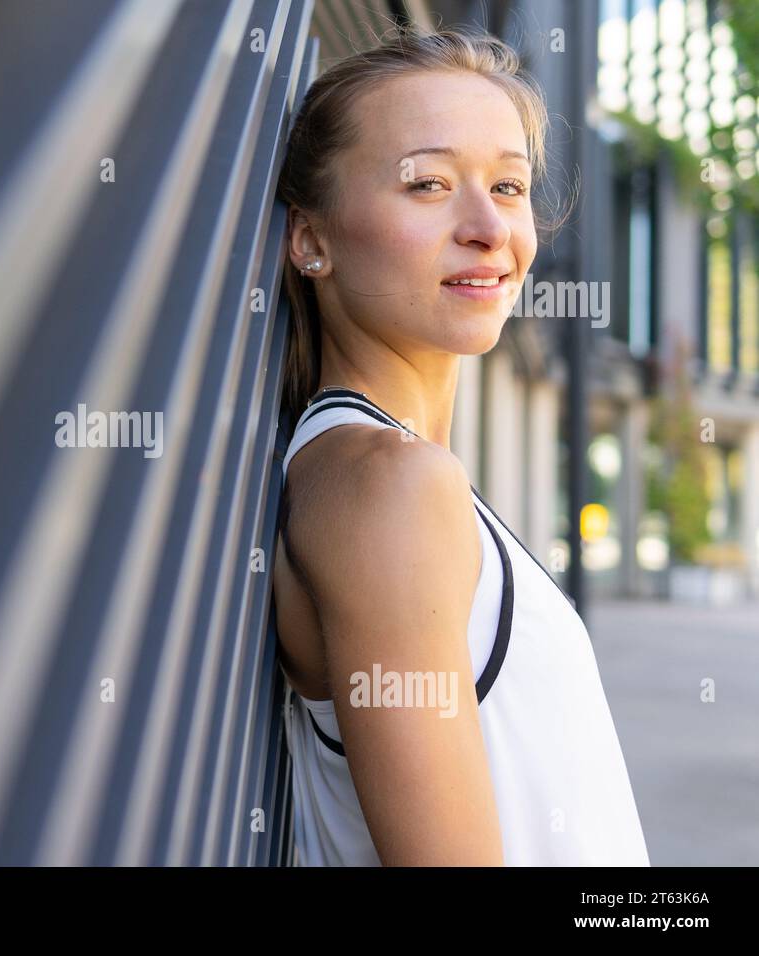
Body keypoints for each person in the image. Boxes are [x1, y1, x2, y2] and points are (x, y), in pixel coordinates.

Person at [272, 24, 650, 866]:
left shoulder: (390, 472)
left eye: (509, 187)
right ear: (311, 239)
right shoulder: (390, 487)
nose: (487, 227)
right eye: (428, 183)